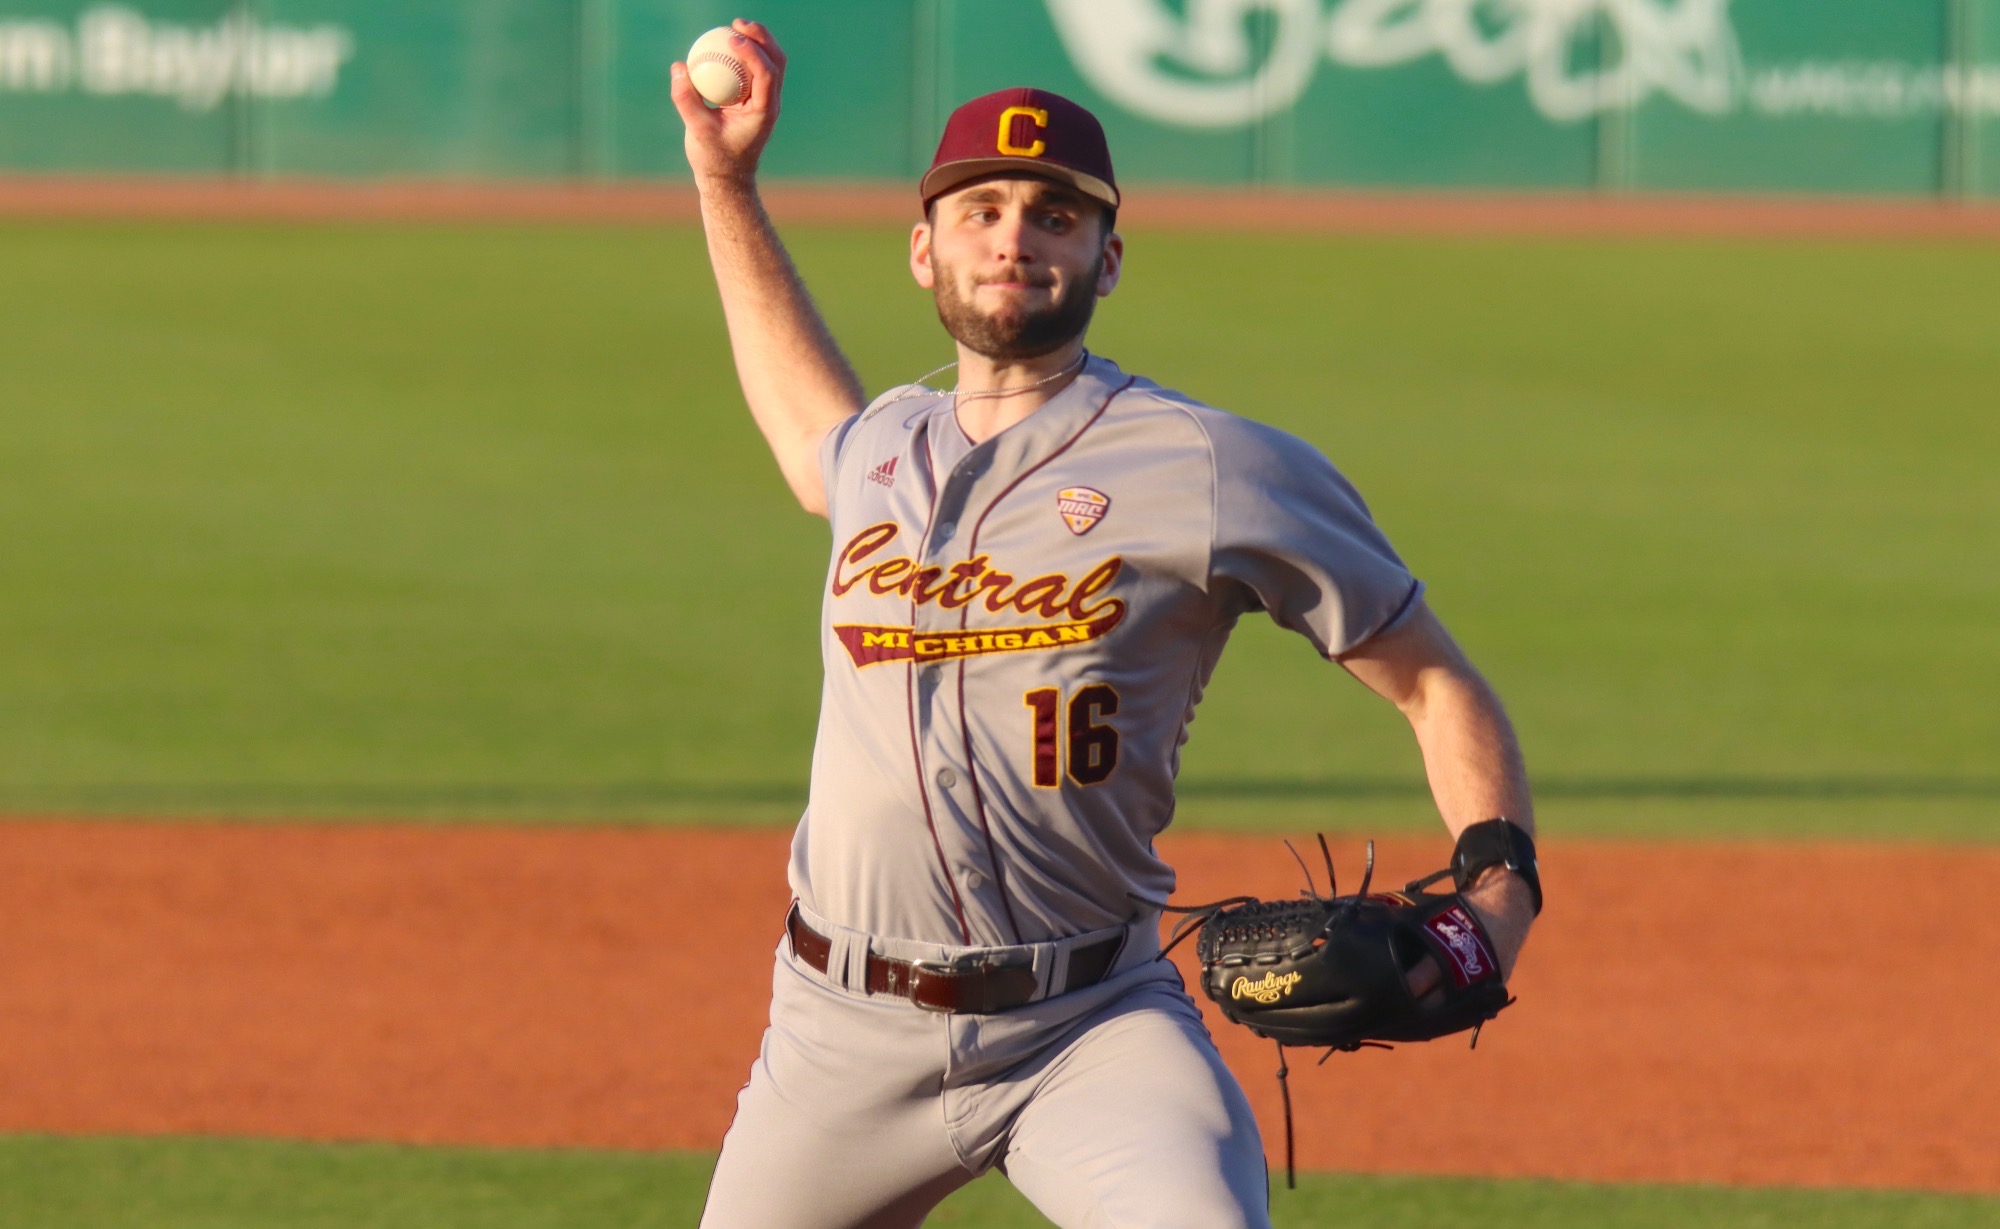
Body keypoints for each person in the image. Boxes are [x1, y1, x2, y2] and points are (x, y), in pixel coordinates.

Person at [671, 20, 1537, 1229]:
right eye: (980, 210)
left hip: (1087, 1026)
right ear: (922, 253)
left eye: (1053, 213)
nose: (1014, 234)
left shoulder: (1215, 463)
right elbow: (805, 429)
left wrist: (1497, 897)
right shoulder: (882, 448)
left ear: (1107, 256)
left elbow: (1431, 680)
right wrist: (725, 184)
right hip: (835, 1037)